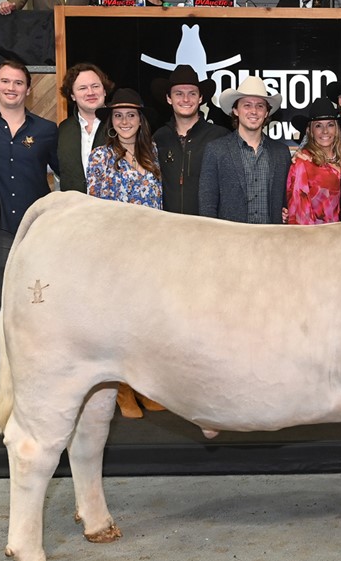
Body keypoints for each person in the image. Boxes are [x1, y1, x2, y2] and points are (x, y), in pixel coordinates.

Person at [86, 89, 166, 418]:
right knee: (118, 323)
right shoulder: (101, 157)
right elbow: (98, 207)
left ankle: (145, 385)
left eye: (131, 114)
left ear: (140, 119)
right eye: (118, 115)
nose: (125, 121)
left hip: (150, 251)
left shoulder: (153, 153)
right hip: (116, 251)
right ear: (111, 121)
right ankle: (122, 389)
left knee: (146, 322)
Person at [0, 61, 59, 340]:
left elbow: (65, 176)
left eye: (18, 83)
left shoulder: (47, 130)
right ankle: (0, 381)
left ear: (29, 90)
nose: (11, 88)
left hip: (35, 233)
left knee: (37, 307)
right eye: (5, 81)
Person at [200, 76, 291, 223]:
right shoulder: (216, 150)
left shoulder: (281, 153)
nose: (253, 111)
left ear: (267, 113)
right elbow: (207, 205)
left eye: (260, 106)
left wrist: (287, 211)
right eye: (247, 105)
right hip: (231, 241)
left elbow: (287, 199)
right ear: (235, 110)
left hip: (271, 241)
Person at [152, 65, 229, 215]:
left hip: (208, 228)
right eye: (178, 94)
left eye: (192, 93)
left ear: (200, 98)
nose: (185, 99)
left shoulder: (220, 137)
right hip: (167, 229)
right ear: (169, 98)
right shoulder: (158, 138)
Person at [287, 98, 341, 224]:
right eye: (318, 126)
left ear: (337, 129)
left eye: (330, 125)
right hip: (317, 238)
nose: (325, 131)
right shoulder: (303, 163)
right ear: (310, 131)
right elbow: (300, 214)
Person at [56, 62, 113, 194]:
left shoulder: (121, 125)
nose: (90, 92)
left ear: (104, 91)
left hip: (113, 211)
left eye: (95, 86)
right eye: (82, 88)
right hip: (75, 210)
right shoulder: (63, 130)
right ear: (72, 95)